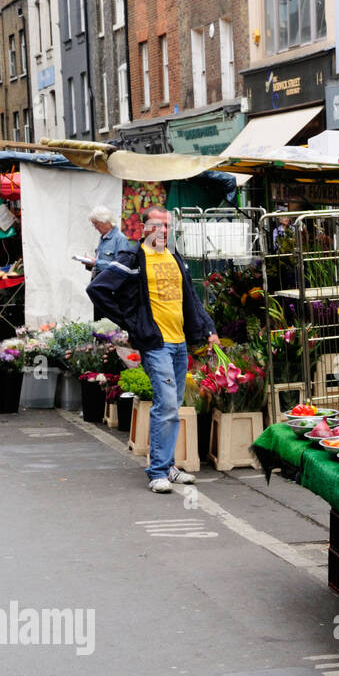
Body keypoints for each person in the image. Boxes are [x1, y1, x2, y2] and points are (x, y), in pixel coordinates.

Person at [86, 205, 220, 494]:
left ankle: (168, 466)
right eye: (156, 226)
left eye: (167, 227)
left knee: (173, 405)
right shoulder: (133, 257)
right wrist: (130, 322)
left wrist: (209, 329)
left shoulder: (175, 257)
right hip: (155, 343)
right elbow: (98, 289)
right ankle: (158, 470)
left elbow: (192, 299)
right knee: (167, 404)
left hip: (179, 342)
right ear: (143, 228)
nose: (162, 231)